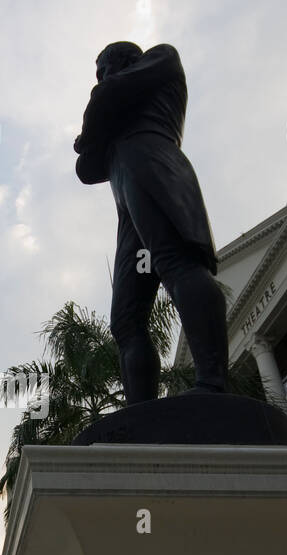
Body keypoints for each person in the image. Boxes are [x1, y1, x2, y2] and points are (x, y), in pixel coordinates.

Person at [74, 40, 228, 402]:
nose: (102, 76)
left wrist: (97, 121)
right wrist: (98, 123)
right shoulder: (127, 98)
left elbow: (104, 99)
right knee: (126, 319)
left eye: (106, 67)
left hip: (152, 163)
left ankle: (213, 382)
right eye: (99, 72)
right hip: (125, 191)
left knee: (178, 263)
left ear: (126, 60)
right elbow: (87, 168)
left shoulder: (162, 57)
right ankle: (141, 410)